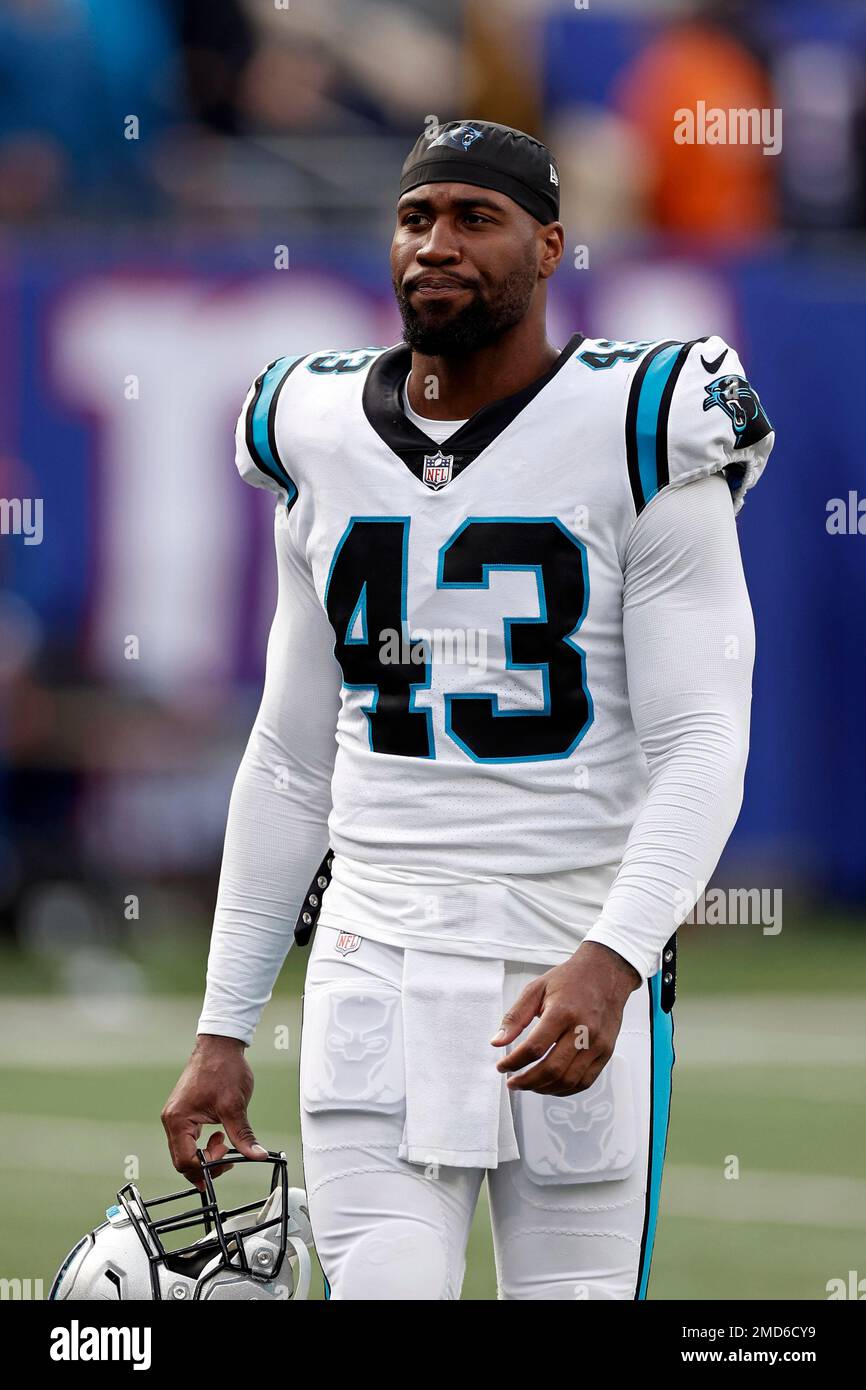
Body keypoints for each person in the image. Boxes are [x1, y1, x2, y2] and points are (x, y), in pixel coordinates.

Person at [162, 120, 774, 1300]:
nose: (435, 243)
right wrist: (221, 1026)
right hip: (372, 965)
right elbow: (292, 762)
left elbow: (703, 740)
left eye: (473, 219)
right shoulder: (315, 425)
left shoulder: (646, 421)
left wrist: (612, 955)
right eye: (415, 217)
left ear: (549, 246)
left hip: (572, 965)